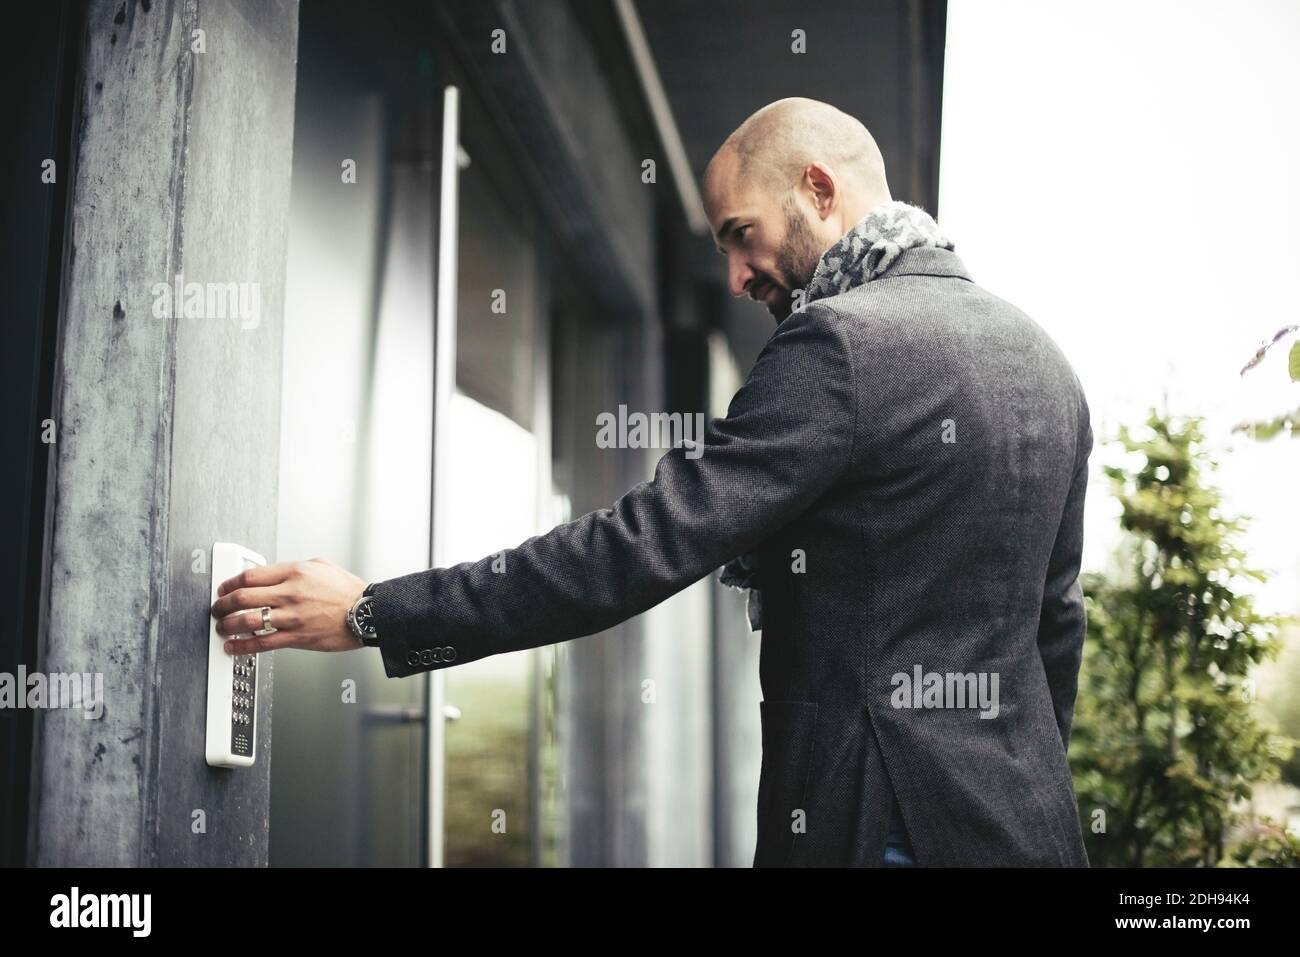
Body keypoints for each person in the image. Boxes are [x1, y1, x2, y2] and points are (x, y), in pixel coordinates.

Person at [210, 97, 1091, 868]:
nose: (740, 277)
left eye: (742, 236)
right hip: (1029, 830)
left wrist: (374, 610)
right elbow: (1054, 625)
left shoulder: (842, 346)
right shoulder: (1047, 364)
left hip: (877, 829)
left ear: (819, 190)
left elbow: (638, 547)